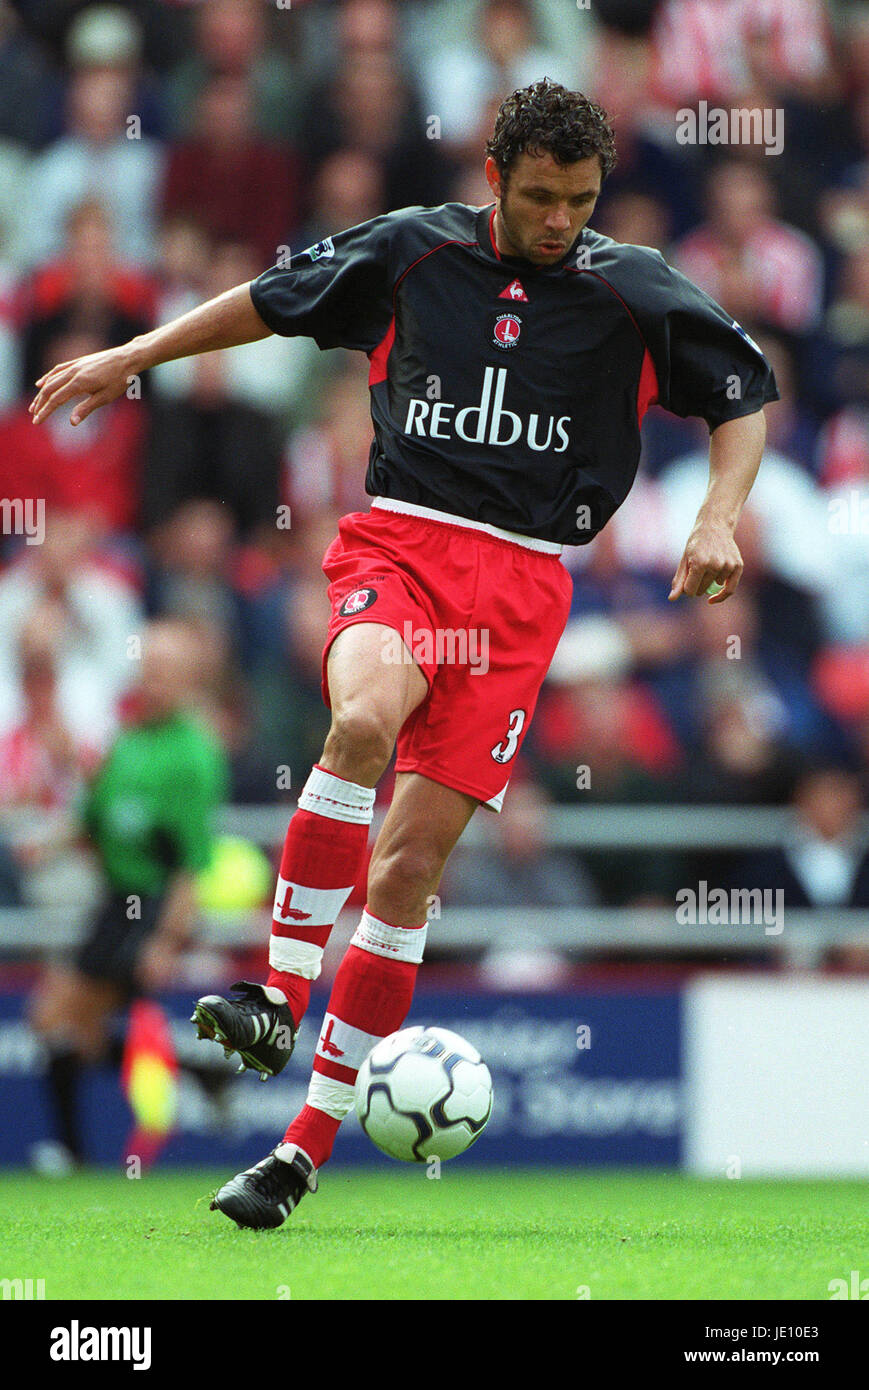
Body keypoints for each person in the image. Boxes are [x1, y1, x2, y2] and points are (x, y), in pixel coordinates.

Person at [30, 80, 777, 1227]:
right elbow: (271, 301)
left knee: (406, 872)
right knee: (362, 718)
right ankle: (275, 992)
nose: (556, 221)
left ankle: (300, 1149)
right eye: (537, 197)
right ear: (493, 175)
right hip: (404, 545)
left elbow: (740, 398)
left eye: (577, 200)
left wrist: (719, 510)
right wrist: (137, 352)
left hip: (525, 588)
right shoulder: (412, 251)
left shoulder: (633, 288)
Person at [28, 620, 228, 1168]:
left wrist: (165, 939)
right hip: (113, 901)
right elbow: (95, 820)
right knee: (72, 1031)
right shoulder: (127, 736)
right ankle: (201, 1071)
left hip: (153, 904)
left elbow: (193, 861)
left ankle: (70, 1155)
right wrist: (47, 846)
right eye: (149, 670)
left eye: (166, 673)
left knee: (58, 1021)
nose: (154, 681)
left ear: (189, 680)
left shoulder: (193, 754)